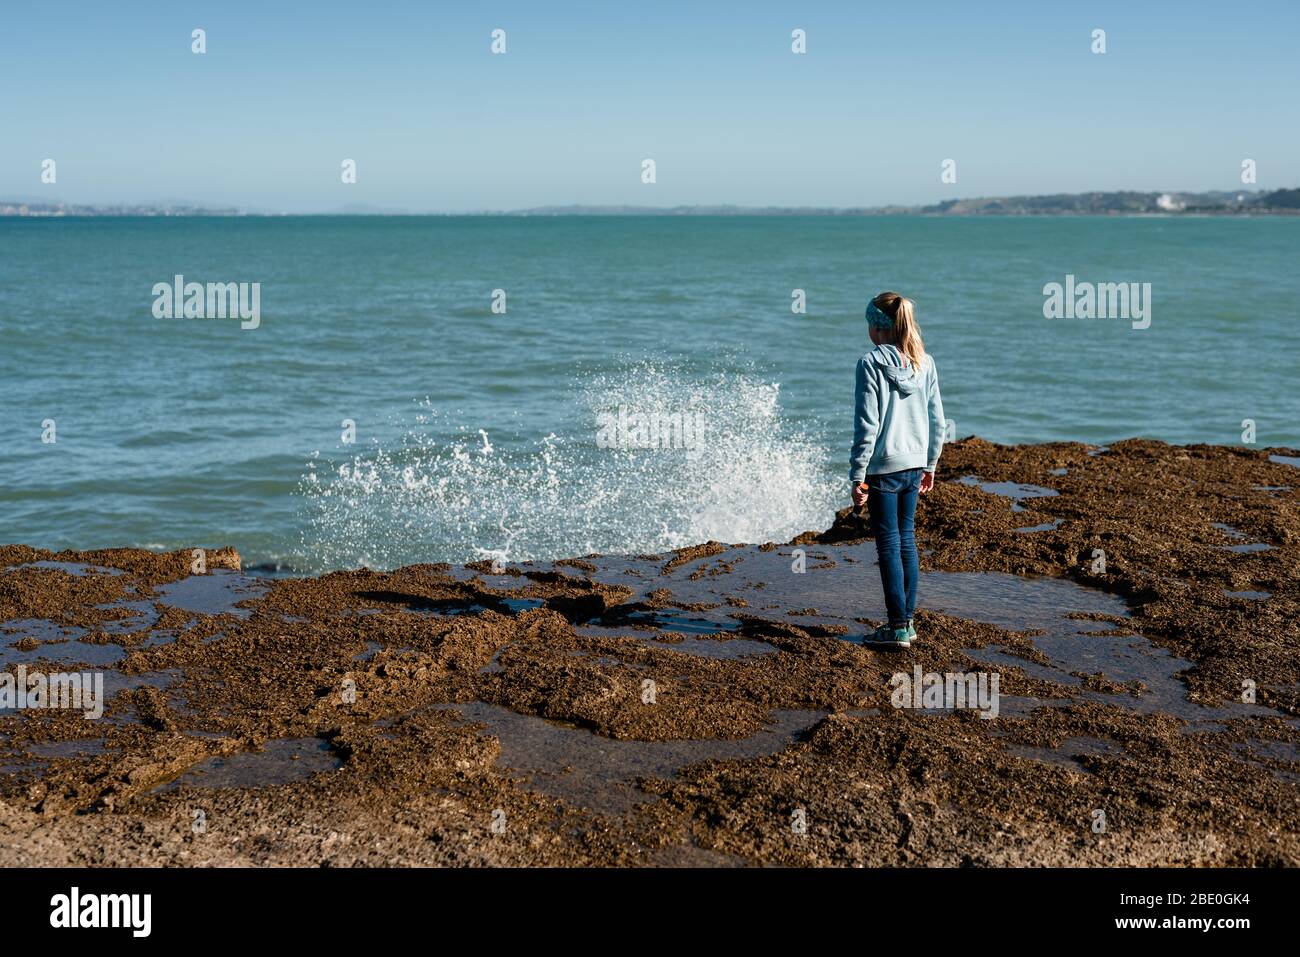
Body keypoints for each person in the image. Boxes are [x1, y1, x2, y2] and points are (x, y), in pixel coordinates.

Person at [849, 291, 946, 649]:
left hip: (884, 468)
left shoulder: (869, 364)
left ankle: (897, 627)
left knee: (889, 543)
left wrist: (857, 474)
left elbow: (867, 425)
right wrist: (931, 464)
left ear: (877, 327)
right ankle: (907, 621)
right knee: (907, 539)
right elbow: (938, 420)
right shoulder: (925, 363)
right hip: (914, 464)